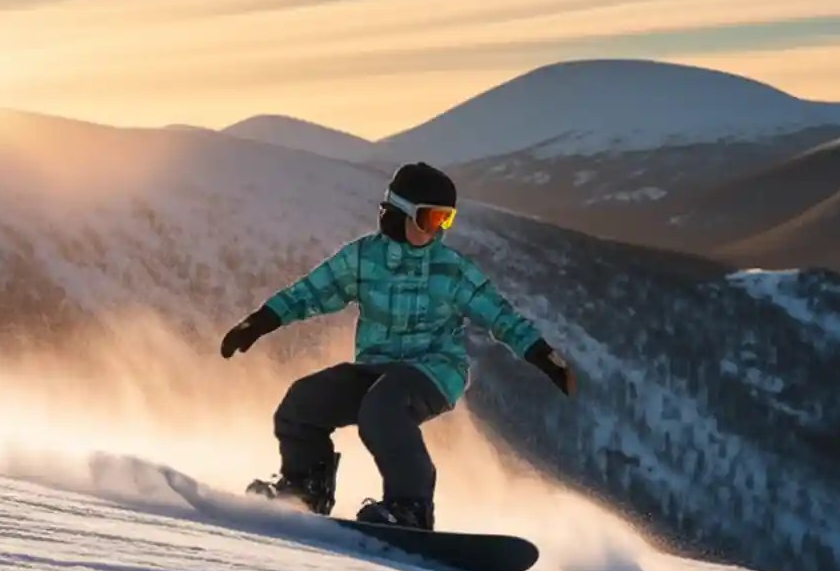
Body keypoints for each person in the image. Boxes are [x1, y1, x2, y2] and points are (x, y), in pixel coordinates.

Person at [220, 162, 575, 530]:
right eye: (431, 218)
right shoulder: (362, 259)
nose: (437, 230)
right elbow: (311, 292)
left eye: (445, 221)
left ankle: (411, 507)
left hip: (435, 370)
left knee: (383, 408)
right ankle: (306, 487)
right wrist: (261, 321)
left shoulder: (449, 269)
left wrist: (541, 355)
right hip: (375, 368)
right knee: (303, 402)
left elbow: (500, 315)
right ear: (399, 213)